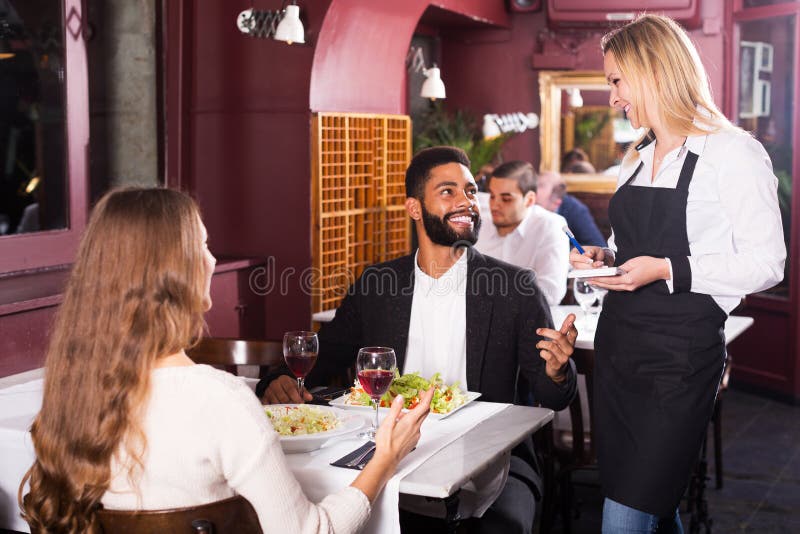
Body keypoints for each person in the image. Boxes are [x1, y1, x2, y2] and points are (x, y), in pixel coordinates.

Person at [19, 188, 433, 534]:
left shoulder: (70, 392)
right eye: (201, 246)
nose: (212, 260)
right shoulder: (219, 399)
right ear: (173, 274)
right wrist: (385, 458)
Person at [260, 147, 579, 533]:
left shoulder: (516, 287)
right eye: (448, 192)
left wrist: (558, 370)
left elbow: (554, 394)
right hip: (389, 450)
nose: (467, 201)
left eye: (469, 189)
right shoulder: (378, 284)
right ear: (414, 208)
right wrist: (277, 379)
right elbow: (323, 355)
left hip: (492, 459)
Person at [569, 14, 785, 533]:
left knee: (624, 515)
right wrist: (607, 258)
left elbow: (768, 262)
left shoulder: (733, 153)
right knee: (649, 503)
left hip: (680, 362)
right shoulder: (636, 157)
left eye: (617, 81)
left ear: (654, 72)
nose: (613, 97)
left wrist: (668, 268)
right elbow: (630, 250)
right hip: (620, 351)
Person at [475, 160, 569, 305]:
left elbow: (551, 293)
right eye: (492, 196)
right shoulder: (479, 222)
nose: (494, 205)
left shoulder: (551, 226)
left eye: (506, 199)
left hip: (529, 324)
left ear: (530, 200)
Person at [536, 170, 606, 248]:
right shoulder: (528, 206)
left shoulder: (576, 210)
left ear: (556, 202)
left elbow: (599, 246)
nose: (532, 189)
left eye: (541, 185)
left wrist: (562, 249)